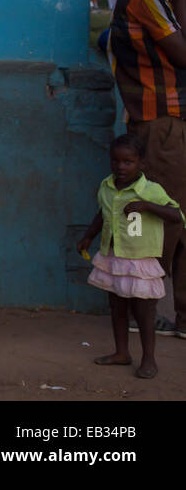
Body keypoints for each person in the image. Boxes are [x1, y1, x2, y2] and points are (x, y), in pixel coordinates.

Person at [109, 0, 186, 337]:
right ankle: (146, 310)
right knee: (165, 218)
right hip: (159, 120)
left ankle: (179, 315)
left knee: (178, 217)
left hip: (172, 119)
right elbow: (182, 53)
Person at [78, 133, 184, 379]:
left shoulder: (151, 190)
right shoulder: (107, 186)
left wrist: (147, 206)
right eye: (116, 161)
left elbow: (176, 215)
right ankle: (121, 353)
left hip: (140, 260)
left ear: (141, 164)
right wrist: (88, 236)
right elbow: (102, 213)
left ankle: (149, 360)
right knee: (117, 307)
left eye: (128, 162)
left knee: (144, 312)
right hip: (114, 257)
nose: (121, 167)